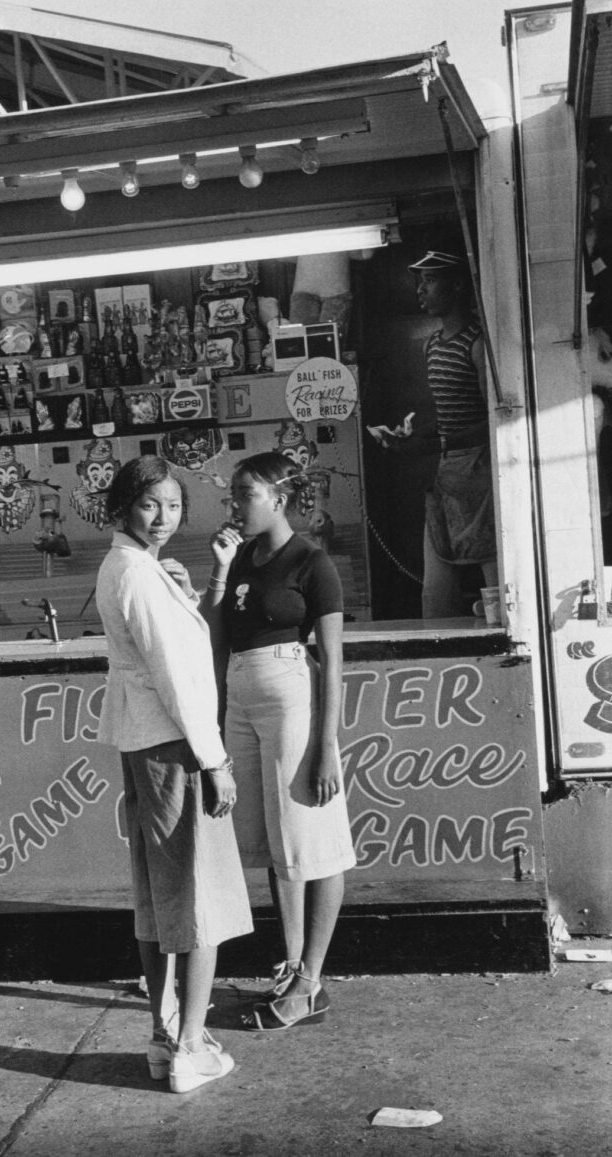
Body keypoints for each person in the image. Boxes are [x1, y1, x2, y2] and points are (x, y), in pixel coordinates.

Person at [95, 455, 253, 1093]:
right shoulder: (137, 575)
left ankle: (163, 1039)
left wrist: (187, 594)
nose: (163, 519)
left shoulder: (131, 569)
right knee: (198, 899)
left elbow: (161, 650)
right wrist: (214, 761)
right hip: (175, 749)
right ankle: (190, 1046)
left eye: (174, 506)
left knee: (160, 901)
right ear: (122, 509)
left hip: (146, 747)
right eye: (149, 505)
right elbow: (179, 679)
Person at [203, 451, 356, 1031]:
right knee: (273, 838)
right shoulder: (240, 556)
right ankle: (290, 967)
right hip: (241, 691)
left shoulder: (313, 562)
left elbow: (335, 660)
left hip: (293, 692)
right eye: (233, 496)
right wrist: (219, 568)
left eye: (246, 495)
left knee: (312, 834)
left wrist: (329, 743)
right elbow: (215, 631)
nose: (235, 506)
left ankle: (313, 980)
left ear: (279, 499)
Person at [370, 249, 498, 618]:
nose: (420, 291)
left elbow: (493, 419)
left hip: (482, 472)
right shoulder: (433, 345)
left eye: (430, 280)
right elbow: (450, 416)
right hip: (447, 474)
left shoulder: (477, 343)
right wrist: (412, 437)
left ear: (457, 285)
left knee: (497, 583)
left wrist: (435, 443)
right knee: (435, 590)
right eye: (418, 283)